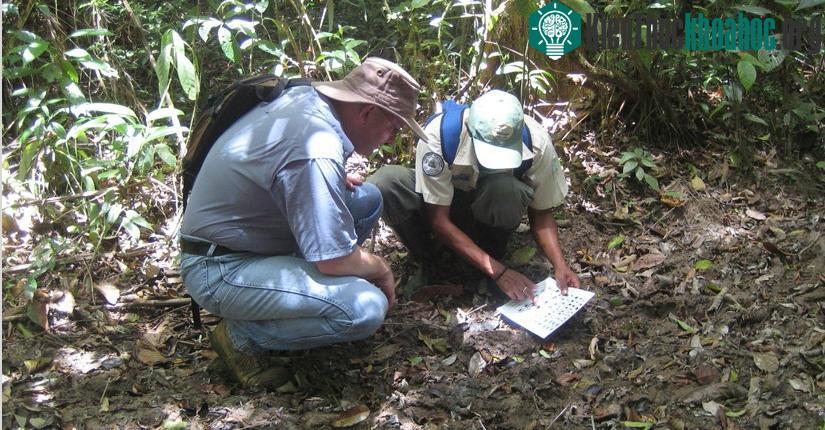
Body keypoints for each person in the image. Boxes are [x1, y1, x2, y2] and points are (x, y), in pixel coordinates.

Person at [179, 58, 428, 389]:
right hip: (219, 266)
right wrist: (381, 269)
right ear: (367, 112)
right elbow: (334, 259)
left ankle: (293, 303)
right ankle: (241, 336)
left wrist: (329, 179)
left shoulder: (307, 99)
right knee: (365, 307)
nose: (390, 139)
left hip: (247, 242)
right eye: (393, 128)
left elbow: (278, 161)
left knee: (367, 200)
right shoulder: (317, 147)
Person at [368, 90, 580, 302]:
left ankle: (491, 255)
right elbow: (438, 220)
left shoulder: (537, 142)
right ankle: (430, 261)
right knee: (386, 182)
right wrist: (500, 272)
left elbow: (541, 213)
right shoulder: (439, 136)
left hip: (488, 203)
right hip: (446, 204)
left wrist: (560, 265)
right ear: (470, 130)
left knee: (507, 188)